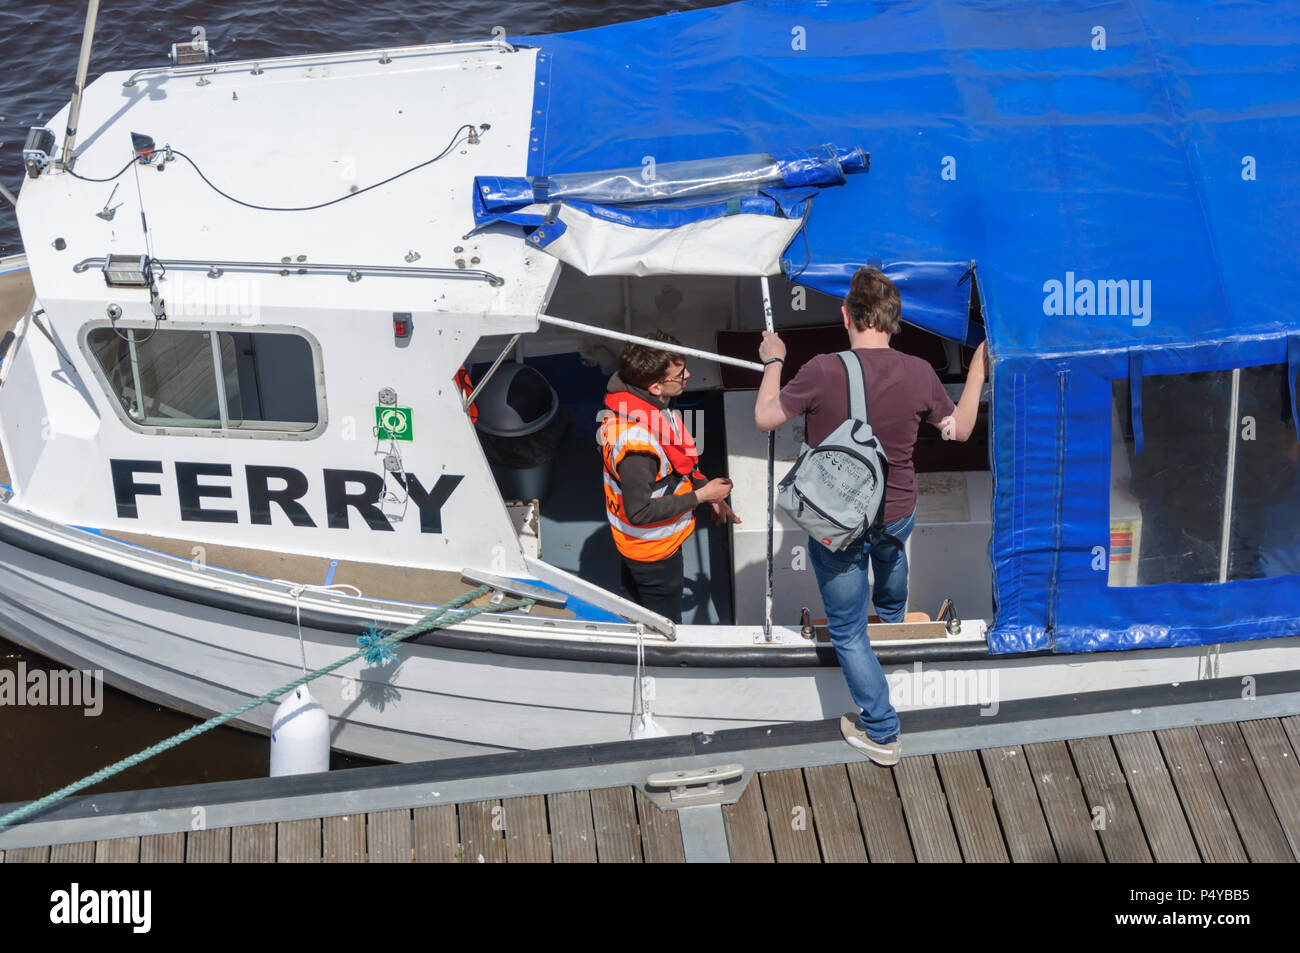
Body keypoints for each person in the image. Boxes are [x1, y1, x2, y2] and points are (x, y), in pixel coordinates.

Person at [753, 266, 987, 764]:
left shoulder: (819, 369)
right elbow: (959, 431)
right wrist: (977, 373)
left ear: (847, 316)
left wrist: (774, 361)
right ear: (894, 321)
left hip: (837, 523)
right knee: (891, 551)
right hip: (896, 508)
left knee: (848, 631)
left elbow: (765, 417)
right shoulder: (922, 372)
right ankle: (895, 614)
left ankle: (882, 731)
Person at [599, 331, 740, 622]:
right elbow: (638, 512)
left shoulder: (642, 406)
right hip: (652, 551)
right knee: (661, 622)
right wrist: (702, 496)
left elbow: (679, 460)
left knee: (636, 606)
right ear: (655, 387)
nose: (688, 375)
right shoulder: (638, 448)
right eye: (679, 373)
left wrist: (705, 488)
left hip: (641, 544)